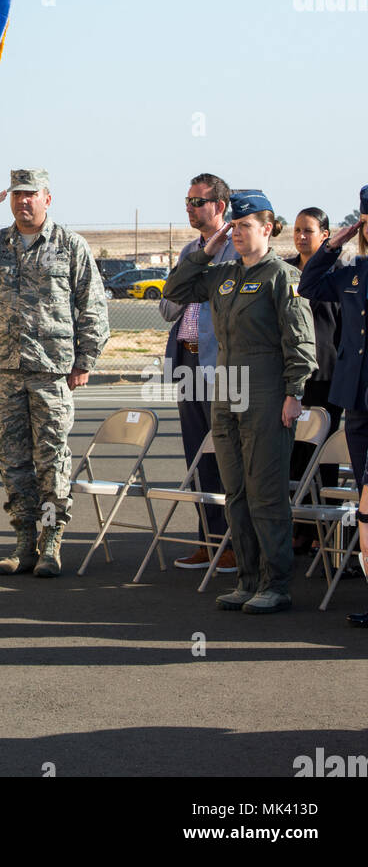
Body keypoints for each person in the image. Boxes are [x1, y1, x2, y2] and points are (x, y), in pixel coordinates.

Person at [163, 191, 317, 613]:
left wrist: (294, 394)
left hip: (266, 390)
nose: (239, 233)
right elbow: (176, 290)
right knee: (236, 493)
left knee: (265, 493)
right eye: (234, 226)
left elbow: (300, 340)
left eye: (246, 226)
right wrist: (206, 251)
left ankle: (276, 584)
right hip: (226, 390)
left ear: (267, 228)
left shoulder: (281, 277)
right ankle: (248, 581)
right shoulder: (223, 273)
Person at [0, 169, 109, 577]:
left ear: (48, 198)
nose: (22, 202)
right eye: (16, 195)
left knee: (50, 459)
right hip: (7, 369)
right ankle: (23, 545)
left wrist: (85, 361)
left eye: (30, 195)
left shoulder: (70, 246)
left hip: (50, 372)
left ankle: (51, 543)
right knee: (12, 460)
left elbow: (93, 307)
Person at [158, 173, 238, 572]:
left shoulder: (236, 247)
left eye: (197, 202)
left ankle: (235, 544)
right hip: (187, 359)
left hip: (222, 365)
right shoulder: (191, 249)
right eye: (187, 201)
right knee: (197, 455)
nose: (188, 208)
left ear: (219, 206)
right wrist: (188, 273)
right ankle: (208, 539)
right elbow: (168, 306)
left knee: (227, 455)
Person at [298, 187, 368, 625]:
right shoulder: (355, 269)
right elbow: (309, 285)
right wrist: (332, 245)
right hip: (356, 398)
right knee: (365, 504)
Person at [285, 208, 342, 552]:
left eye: (308, 231)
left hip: (327, 373)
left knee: (325, 454)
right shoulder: (287, 269)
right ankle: (302, 529)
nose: (301, 236)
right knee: (297, 452)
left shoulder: (336, 273)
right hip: (295, 374)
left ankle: (328, 534)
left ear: (325, 234)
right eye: (297, 230)